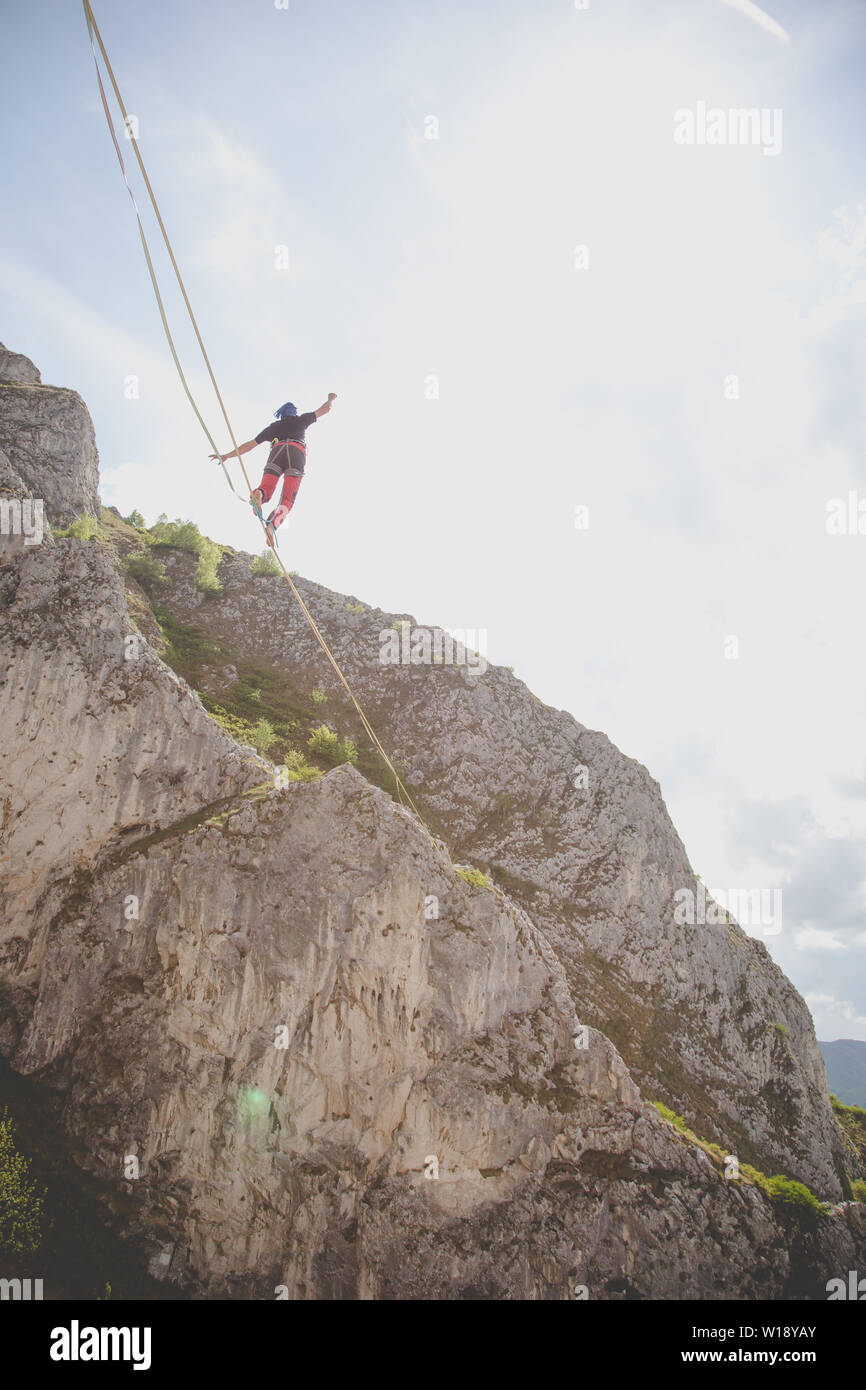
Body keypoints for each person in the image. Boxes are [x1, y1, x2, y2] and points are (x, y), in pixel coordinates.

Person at [211, 393, 337, 547]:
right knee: (287, 500)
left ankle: (260, 494)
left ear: (281, 415)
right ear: (293, 412)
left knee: (267, 488)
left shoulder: (274, 427)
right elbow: (325, 410)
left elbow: (250, 445)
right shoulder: (301, 420)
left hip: (276, 452)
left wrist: (227, 456)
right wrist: (331, 399)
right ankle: (271, 527)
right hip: (296, 454)